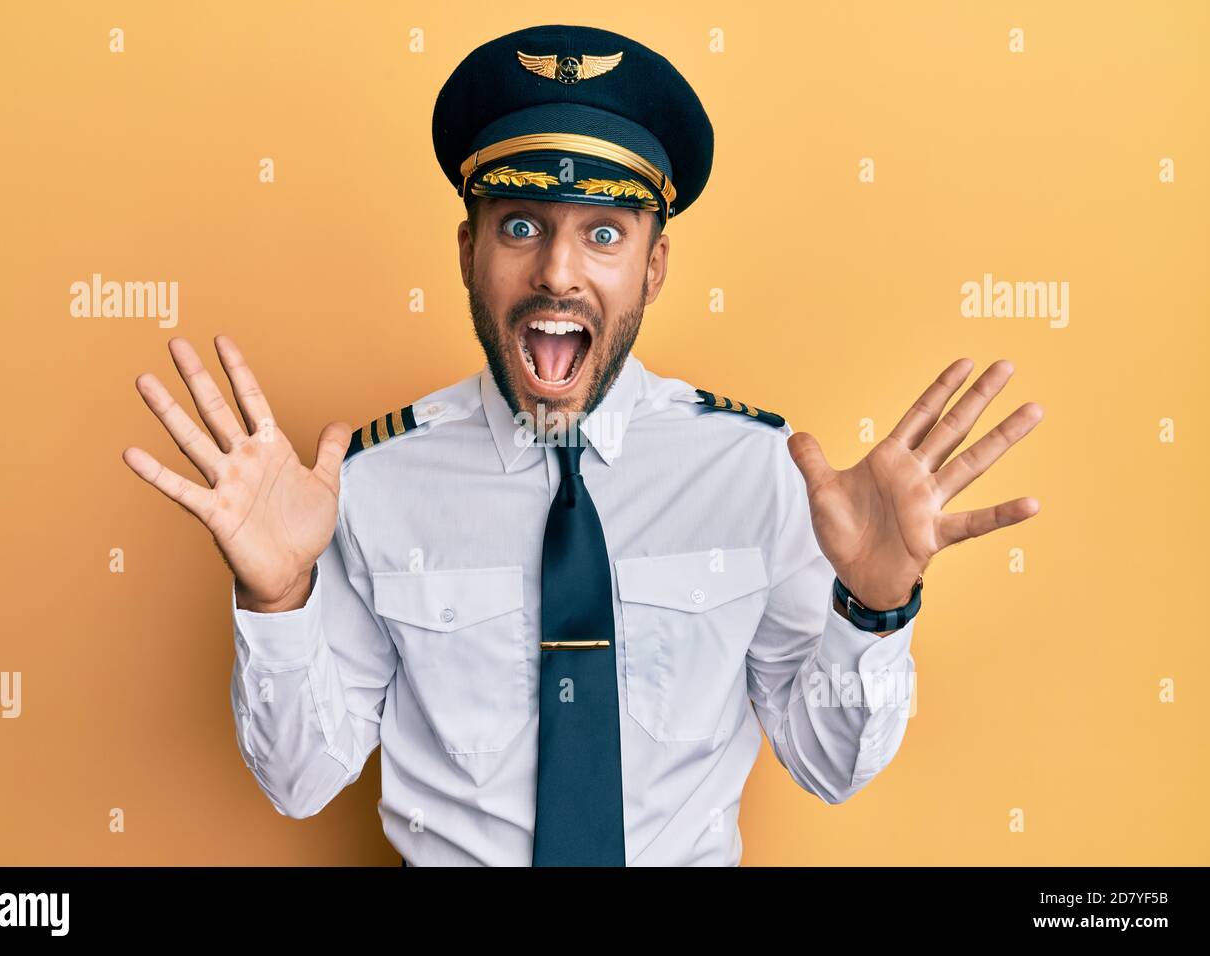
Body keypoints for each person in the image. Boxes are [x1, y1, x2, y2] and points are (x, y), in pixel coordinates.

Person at [122, 24, 1043, 866]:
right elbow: (299, 780)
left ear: (655, 265)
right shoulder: (372, 483)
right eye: (520, 226)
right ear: (467, 252)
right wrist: (276, 598)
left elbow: (830, 767)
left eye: (604, 233)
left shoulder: (758, 473)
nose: (557, 271)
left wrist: (874, 608)